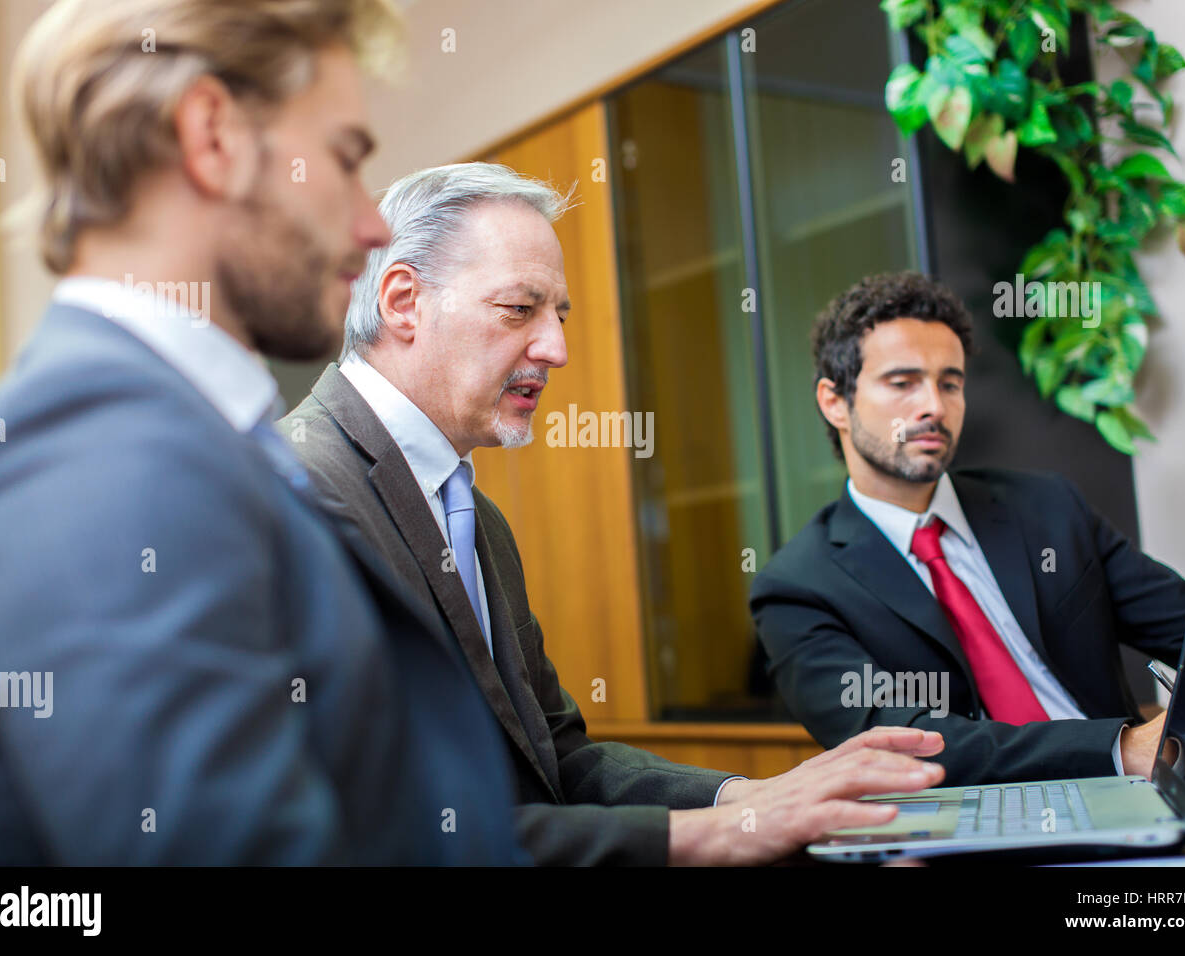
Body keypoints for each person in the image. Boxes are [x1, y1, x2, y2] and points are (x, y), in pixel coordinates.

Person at [0, 0, 525, 865]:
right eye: (344, 158)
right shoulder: (92, 445)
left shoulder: (196, 438)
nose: (372, 227)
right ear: (212, 136)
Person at [279, 162, 948, 865]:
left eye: (559, 315)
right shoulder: (297, 490)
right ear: (404, 301)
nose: (556, 349)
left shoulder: (479, 519)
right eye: (519, 309)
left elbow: (559, 759)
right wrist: (712, 835)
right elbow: (378, 822)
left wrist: (749, 799)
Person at [751, 271, 1185, 786]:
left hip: (1138, 798)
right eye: (902, 383)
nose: (934, 408)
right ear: (834, 401)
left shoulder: (1046, 507)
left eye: (950, 383)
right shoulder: (796, 588)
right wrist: (1121, 747)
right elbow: (902, 742)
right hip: (974, 825)